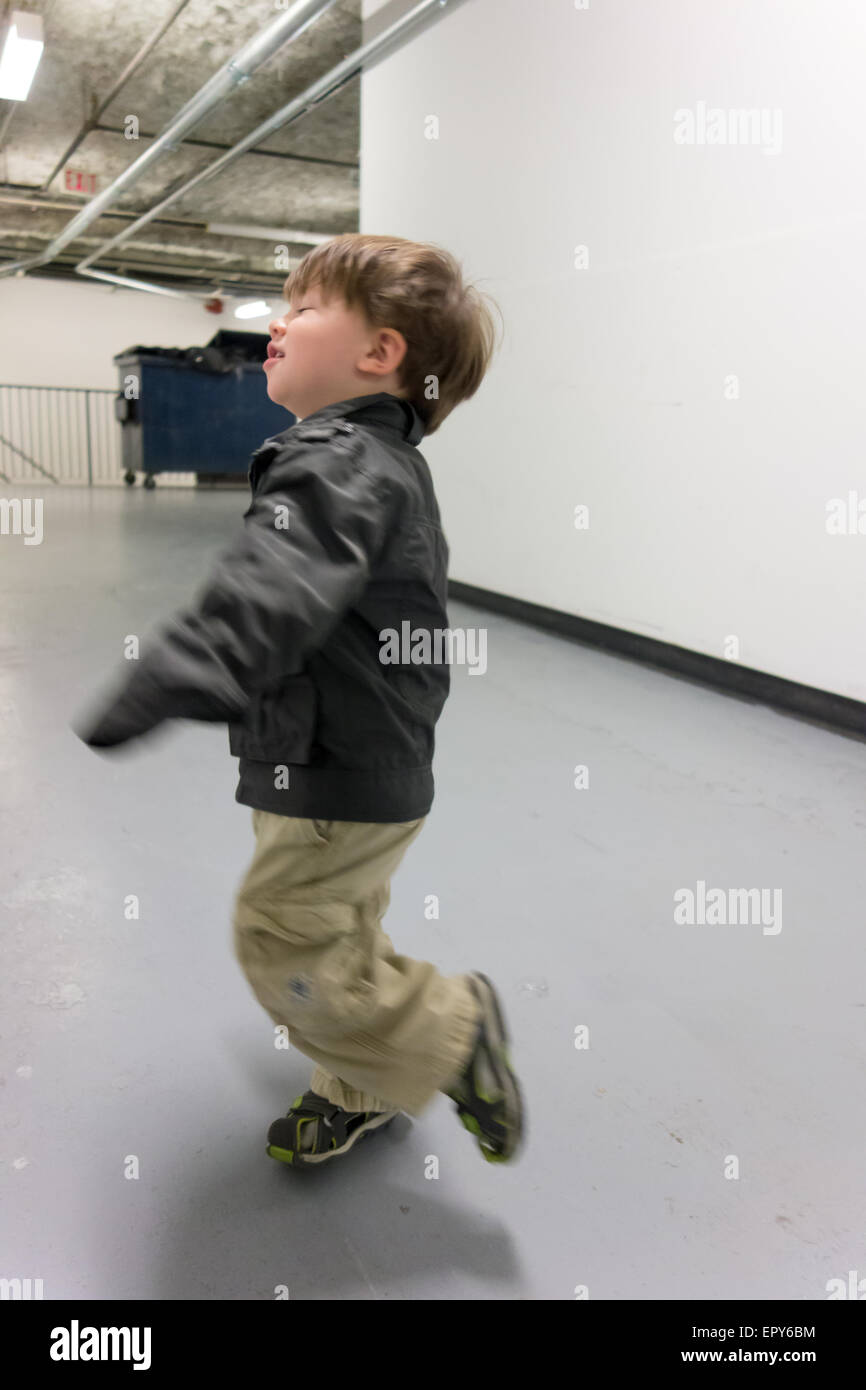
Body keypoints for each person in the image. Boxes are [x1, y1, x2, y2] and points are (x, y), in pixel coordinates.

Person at [74, 233, 524, 1168]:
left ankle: (450, 1025)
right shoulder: (376, 459)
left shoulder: (336, 458)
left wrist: (173, 673)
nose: (276, 323)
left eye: (304, 307)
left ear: (380, 353)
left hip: (334, 761)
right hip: (364, 755)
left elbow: (270, 589)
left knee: (281, 939)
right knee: (339, 926)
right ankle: (356, 1090)